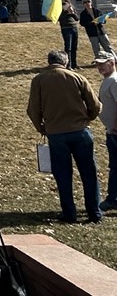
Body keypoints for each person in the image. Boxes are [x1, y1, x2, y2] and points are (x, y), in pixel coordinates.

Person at [27, 50, 102, 223]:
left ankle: (69, 213)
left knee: (62, 175)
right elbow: (96, 105)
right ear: (66, 62)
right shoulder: (77, 77)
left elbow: (33, 109)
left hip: (56, 134)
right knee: (89, 173)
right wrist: (87, 118)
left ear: (49, 62)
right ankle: (94, 213)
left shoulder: (38, 80)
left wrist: (42, 128)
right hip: (80, 131)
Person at [95, 51, 117, 212]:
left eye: (103, 63)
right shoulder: (109, 80)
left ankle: (112, 199)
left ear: (112, 62)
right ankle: (113, 198)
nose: (100, 66)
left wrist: (116, 126)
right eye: (97, 64)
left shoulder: (114, 81)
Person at [58, 0, 81, 69]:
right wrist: (66, 12)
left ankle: (74, 64)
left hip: (74, 27)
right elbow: (58, 18)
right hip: (66, 28)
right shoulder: (59, 7)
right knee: (68, 47)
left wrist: (72, 13)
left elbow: (77, 18)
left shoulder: (71, 6)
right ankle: (68, 65)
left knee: (74, 47)